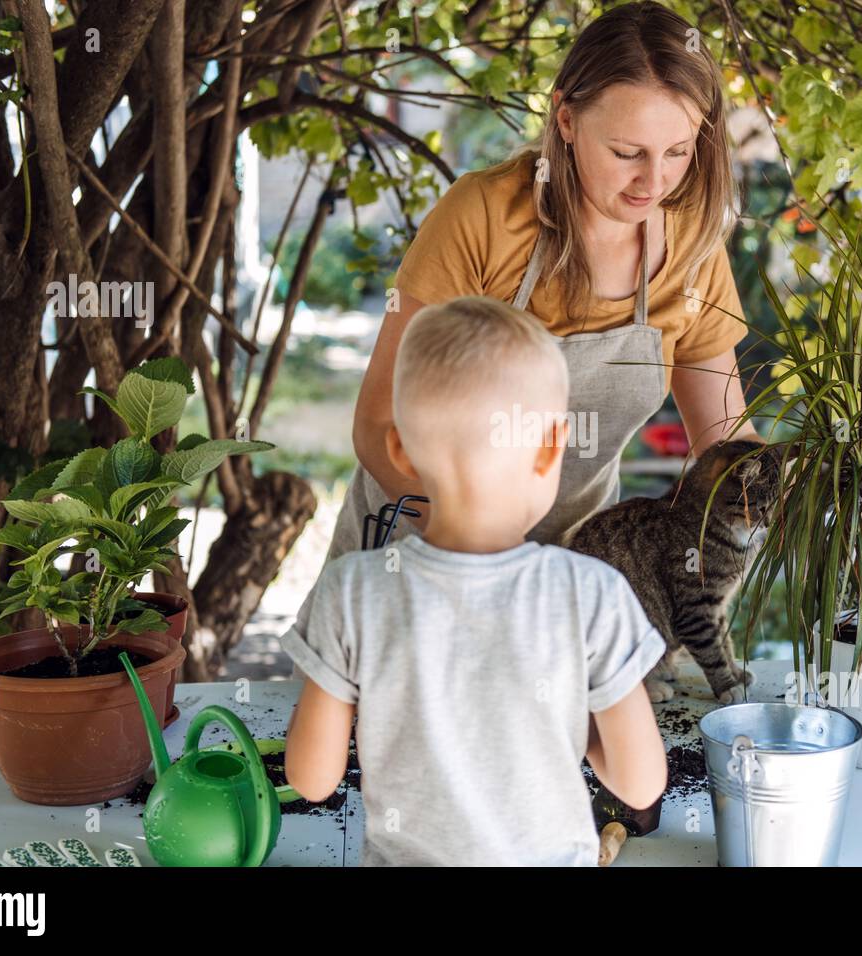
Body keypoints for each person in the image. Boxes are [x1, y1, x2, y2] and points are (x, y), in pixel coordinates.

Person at [325, 0, 757, 562]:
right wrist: (479, 556)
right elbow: (378, 425)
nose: (654, 181)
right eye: (627, 153)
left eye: (678, 151)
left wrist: (800, 491)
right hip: (419, 558)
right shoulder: (485, 214)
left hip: (570, 567)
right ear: (567, 118)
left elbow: (725, 449)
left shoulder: (692, 244)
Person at [280, 296, 668, 866]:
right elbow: (640, 784)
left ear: (399, 452)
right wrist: (570, 724)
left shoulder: (352, 591)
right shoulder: (593, 593)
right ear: (550, 451)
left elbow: (311, 779)